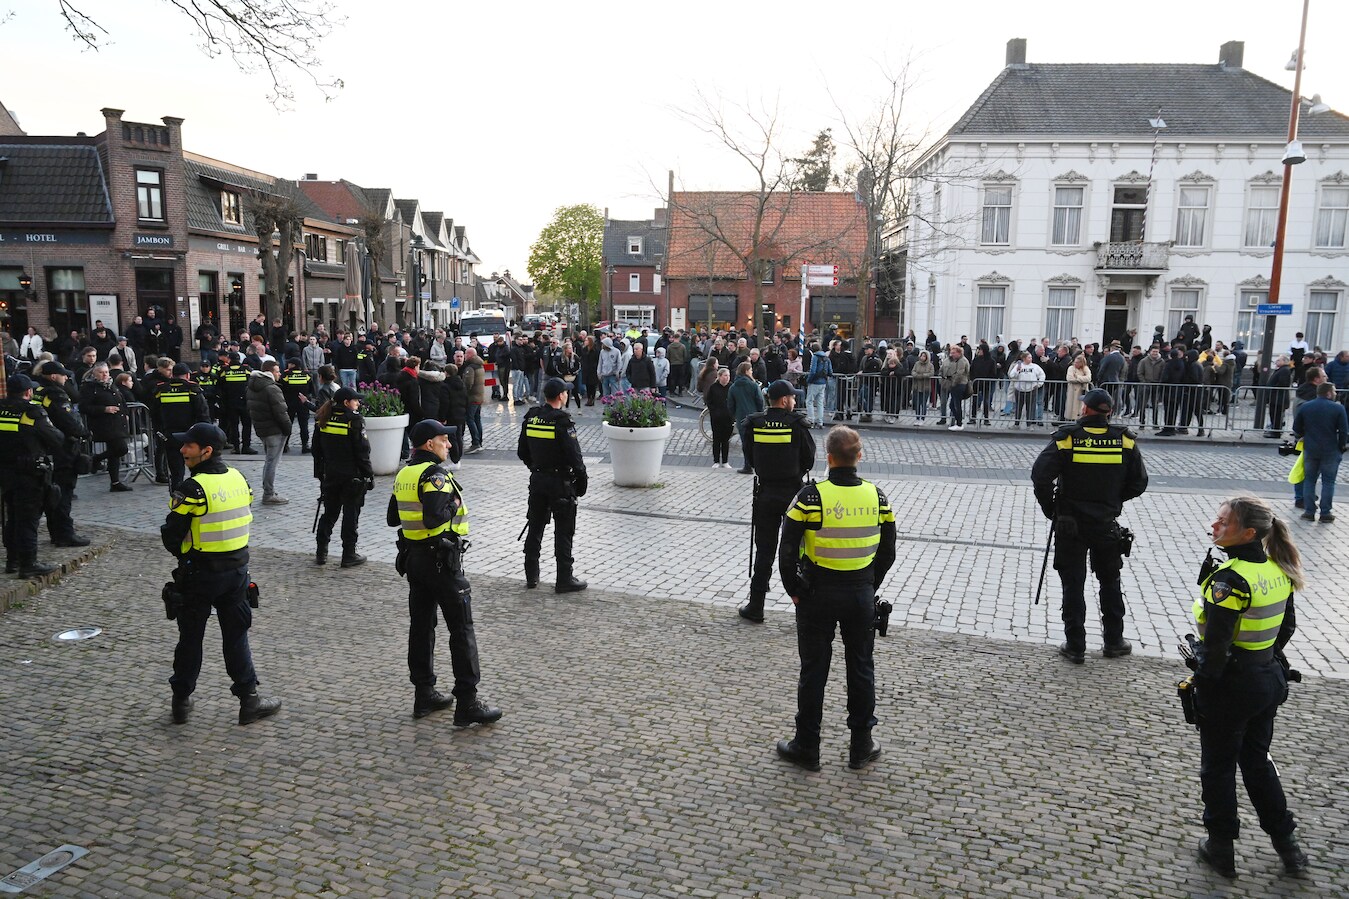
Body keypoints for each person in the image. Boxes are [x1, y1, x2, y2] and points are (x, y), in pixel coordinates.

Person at [1189, 495, 1308, 878]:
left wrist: (1204, 686)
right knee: (1257, 761)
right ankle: (1288, 846)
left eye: (1223, 522)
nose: (1214, 525)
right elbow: (1285, 629)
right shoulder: (1277, 567)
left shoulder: (1230, 579)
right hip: (1266, 680)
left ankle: (1221, 848)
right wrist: (1263, 660)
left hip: (1233, 688)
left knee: (1218, 768)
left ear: (1249, 532)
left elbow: (1217, 646)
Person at [775, 426, 896, 772]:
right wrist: (870, 585)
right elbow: (888, 550)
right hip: (859, 592)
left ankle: (807, 746)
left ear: (828, 458)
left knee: (813, 671)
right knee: (861, 668)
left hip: (817, 594)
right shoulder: (878, 498)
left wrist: (794, 591)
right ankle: (861, 746)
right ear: (859, 456)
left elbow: (786, 550)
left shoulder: (810, 497)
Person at [160, 422, 281, 726]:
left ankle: (181, 702)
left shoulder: (193, 489)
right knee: (236, 637)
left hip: (199, 573)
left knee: (190, 639)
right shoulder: (240, 478)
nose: (182, 450)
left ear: (206, 451)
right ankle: (249, 702)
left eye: (188, 445)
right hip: (236, 571)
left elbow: (171, 535)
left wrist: (186, 556)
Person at [388, 419, 501, 724]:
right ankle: (468, 703)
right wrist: (452, 503)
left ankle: (424, 694)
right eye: (443, 440)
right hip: (441, 560)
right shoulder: (435, 475)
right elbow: (433, 516)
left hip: (415, 560)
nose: (449, 444)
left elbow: (391, 518)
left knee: (422, 627)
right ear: (429, 444)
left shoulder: (405, 473)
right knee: (461, 630)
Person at [1032, 388, 1149, 663]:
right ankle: (1114, 641)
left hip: (1070, 524)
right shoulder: (1125, 441)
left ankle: (1075, 645)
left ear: (1086, 410)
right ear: (1108, 412)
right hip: (1106, 524)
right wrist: (1111, 500)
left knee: (1073, 584)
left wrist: (1052, 509)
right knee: (1110, 582)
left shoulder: (1067, 439)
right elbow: (1139, 483)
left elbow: (1040, 477)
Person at [739, 380, 816, 623]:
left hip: (766, 493)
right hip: (793, 495)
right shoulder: (797, 425)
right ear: (784, 400)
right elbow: (809, 459)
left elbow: (749, 456)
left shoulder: (754, 424)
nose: (795, 401)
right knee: (799, 552)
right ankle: (804, 607)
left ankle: (756, 605)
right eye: (793, 398)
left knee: (764, 550)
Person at [517, 377, 589, 593]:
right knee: (564, 531)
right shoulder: (562, 422)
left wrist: (536, 468)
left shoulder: (532, 417)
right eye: (565, 392)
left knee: (535, 525)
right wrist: (582, 480)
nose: (567, 395)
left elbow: (522, 451)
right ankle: (564, 578)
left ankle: (531, 575)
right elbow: (575, 457)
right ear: (560, 396)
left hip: (538, 480)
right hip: (560, 483)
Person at [0, 374, 64, 576]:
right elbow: (55, 438)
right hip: (29, 473)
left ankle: (13, 561)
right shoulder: (31, 412)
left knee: (12, 516)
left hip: (6, 472)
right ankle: (28, 563)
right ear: (28, 392)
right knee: (28, 519)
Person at [312, 386, 374, 567]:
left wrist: (321, 475)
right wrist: (368, 475)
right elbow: (362, 452)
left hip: (330, 475)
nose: (358, 403)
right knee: (350, 515)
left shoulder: (322, 419)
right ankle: (349, 554)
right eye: (355, 400)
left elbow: (316, 450)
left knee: (329, 513)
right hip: (352, 477)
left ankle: (321, 551)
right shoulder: (353, 420)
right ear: (347, 402)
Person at [35, 364, 90, 548]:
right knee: (64, 493)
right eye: (62, 375)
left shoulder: (39, 391)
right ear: (52, 376)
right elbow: (68, 420)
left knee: (53, 493)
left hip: (47, 449)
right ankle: (65, 534)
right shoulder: (55, 394)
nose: (66, 378)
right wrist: (84, 432)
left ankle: (56, 532)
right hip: (63, 450)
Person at [1291, 381, 1348, 523]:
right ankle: (1325, 512)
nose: (1335, 394)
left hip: (1311, 448)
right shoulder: (1337, 408)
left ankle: (1309, 511)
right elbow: (1343, 431)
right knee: (1329, 482)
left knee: (1309, 480)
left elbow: (1296, 428)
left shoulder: (1306, 407)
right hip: (1330, 449)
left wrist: (1306, 435)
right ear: (1328, 393)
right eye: (1334, 391)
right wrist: (1341, 446)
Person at [150, 362, 211, 490]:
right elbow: (203, 414)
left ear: (172, 375)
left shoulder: (161, 390)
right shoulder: (192, 389)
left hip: (169, 435)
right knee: (197, 468)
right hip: (191, 436)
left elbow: (154, 413)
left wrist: (159, 431)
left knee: (176, 471)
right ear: (188, 375)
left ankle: (176, 496)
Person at [80, 362, 134, 492]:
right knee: (121, 448)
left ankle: (114, 482)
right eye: (101, 372)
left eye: (106, 372)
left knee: (114, 453)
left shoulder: (111, 385)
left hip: (117, 422)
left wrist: (125, 413)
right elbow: (84, 407)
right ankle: (96, 459)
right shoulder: (89, 387)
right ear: (94, 374)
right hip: (104, 424)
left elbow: (121, 401)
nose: (105, 375)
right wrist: (104, 409)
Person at [246, 360, 291, 504]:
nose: (280, 374)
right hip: (274, 429)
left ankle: (268, 490)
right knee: (272, 462)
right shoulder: (271, 388)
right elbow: (281, 412)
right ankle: (269, 493)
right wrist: (288, 429)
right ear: (270, 372)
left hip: (262, 429)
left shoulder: (252, 386)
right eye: (277, 371)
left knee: (269, 461)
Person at [728, 361, 765, 474]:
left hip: (741, 419)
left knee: (745, 443)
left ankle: (747, 465)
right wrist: (760, 413)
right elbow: (760, 401)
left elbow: (730, 405)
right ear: (746, 371)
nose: (752, 372)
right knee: (756, 443)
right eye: (750, 370)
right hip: (754, 418)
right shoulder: (753, 385)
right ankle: (758, 465)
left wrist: (735, 416)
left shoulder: (733, 387)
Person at [705, 366, 734, 468]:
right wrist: (714, 411)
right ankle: (716, 460)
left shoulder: (731, 387)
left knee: (726, 440)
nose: (727, 377)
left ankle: (725, 461)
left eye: (728, 376)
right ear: (720, 376)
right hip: (716, 417)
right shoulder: (713, 387)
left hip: (728, 417)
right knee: (716, 439)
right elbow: (709, 401)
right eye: (725, 375)